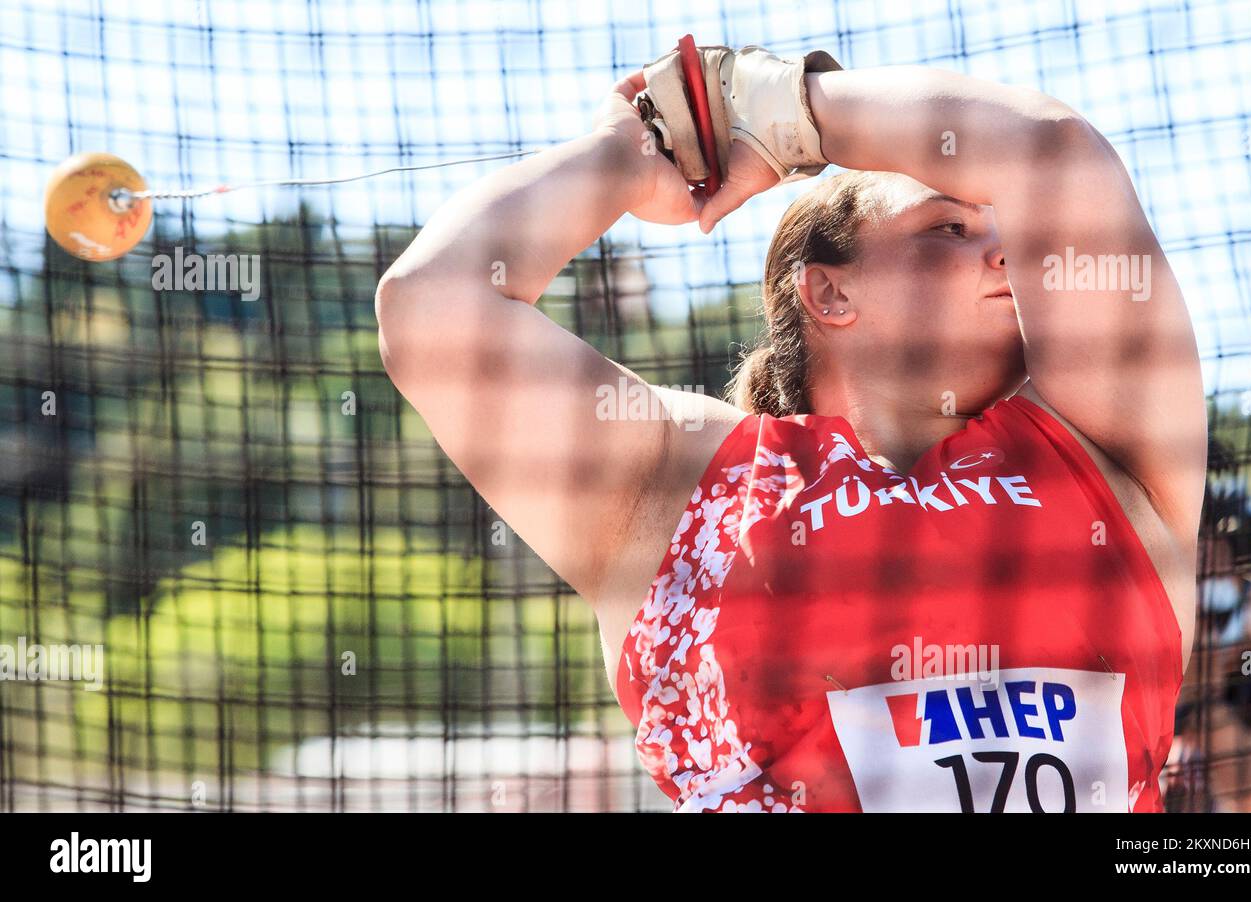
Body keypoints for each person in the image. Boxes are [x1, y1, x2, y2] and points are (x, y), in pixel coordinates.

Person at [374, 44, 1208, 812]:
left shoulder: (1107, 458)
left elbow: (1052, 154)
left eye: (1002, 235)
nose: (1009, 256)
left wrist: (784, 110)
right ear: (829, 295)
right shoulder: (687, 487)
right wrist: (624, 159)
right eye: (949, 229)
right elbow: (433, 305)